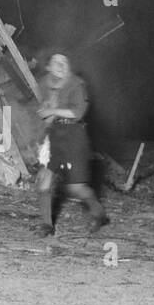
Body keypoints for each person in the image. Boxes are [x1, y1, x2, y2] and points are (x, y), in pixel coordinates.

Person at [35, 51, 109, 235]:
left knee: (76, 188)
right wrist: (42, 134)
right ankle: (47, 225)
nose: (60, 65)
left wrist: (53, 110)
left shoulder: (76, 83)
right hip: (55, 136)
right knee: (44, 180)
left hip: (74, 136)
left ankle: (99, 214)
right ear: (48, 67)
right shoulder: (45, 84)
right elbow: (46, 112)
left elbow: (77, 113)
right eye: (56, 62)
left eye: (64, 62)